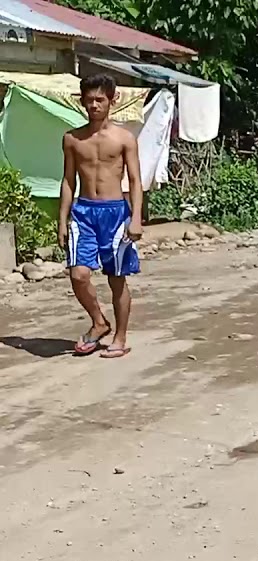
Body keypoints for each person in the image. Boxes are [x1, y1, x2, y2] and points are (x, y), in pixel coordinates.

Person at [58, 74, 144, 359]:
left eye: (100, 100)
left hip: (116, 214)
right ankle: (99, 322)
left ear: (112, 100)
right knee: (78, 274)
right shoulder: (72, 139)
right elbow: (68, 180)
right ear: (81, 101)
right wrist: (62, 219)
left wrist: (136, 218)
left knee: (116, 278)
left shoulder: (124, 138)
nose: (94, 105)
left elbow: (134, 180)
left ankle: (119, 337)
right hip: (84, 213)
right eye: (89, 100)